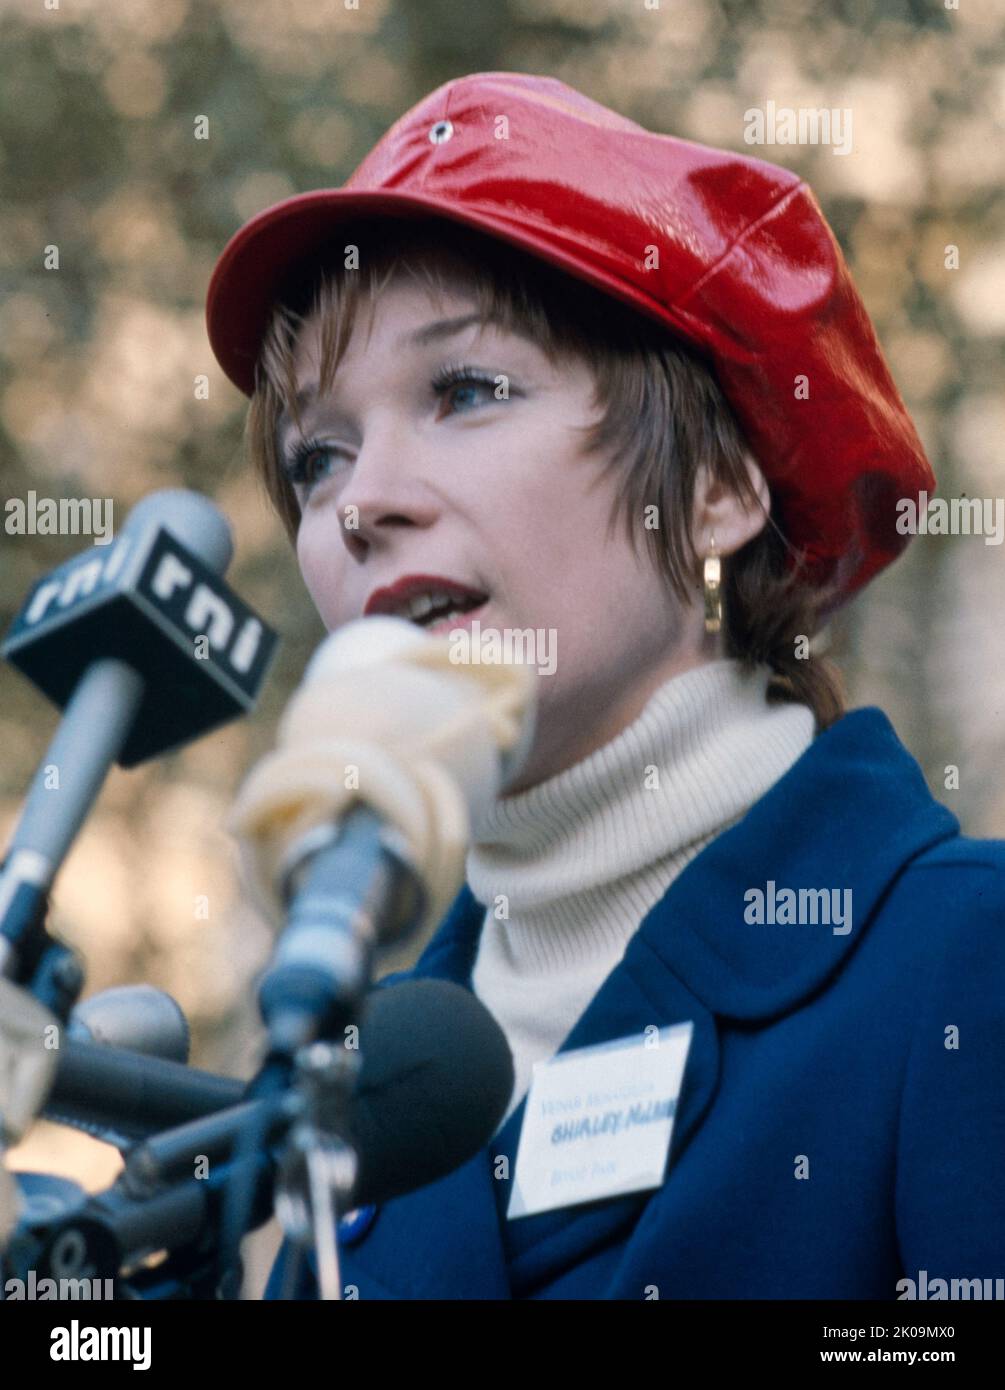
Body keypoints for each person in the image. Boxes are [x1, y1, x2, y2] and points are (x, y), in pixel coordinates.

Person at [205, 72, 1005, 1300]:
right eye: (319, 455)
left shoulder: (966, 959)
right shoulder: (359, 1100)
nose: (361, 503)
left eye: (465, 390)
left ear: (716, 490)